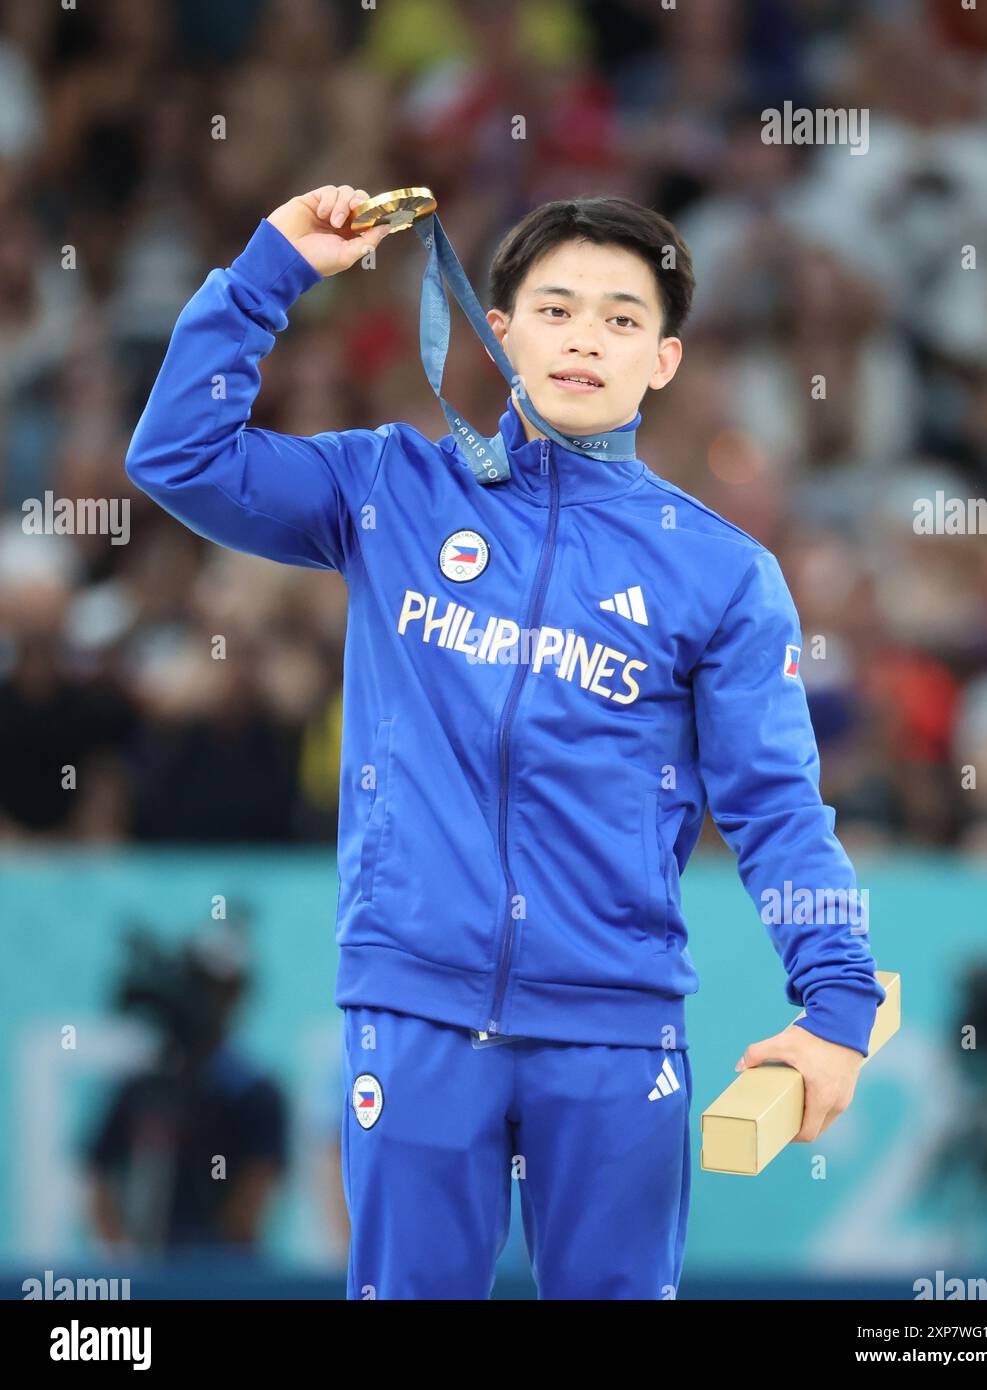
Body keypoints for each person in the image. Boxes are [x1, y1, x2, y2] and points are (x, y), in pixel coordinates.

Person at [125, 184, 886, 1299]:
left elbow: (775, 812)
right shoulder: (388, 486)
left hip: (613, 1028)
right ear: (502, 330)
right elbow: (180, 458)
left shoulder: (721, 573)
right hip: (416, 1009)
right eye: (558, 307)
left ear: (662, 362)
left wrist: (836, 1007)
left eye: (622, 318)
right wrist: (264, 275)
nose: (585, 336)